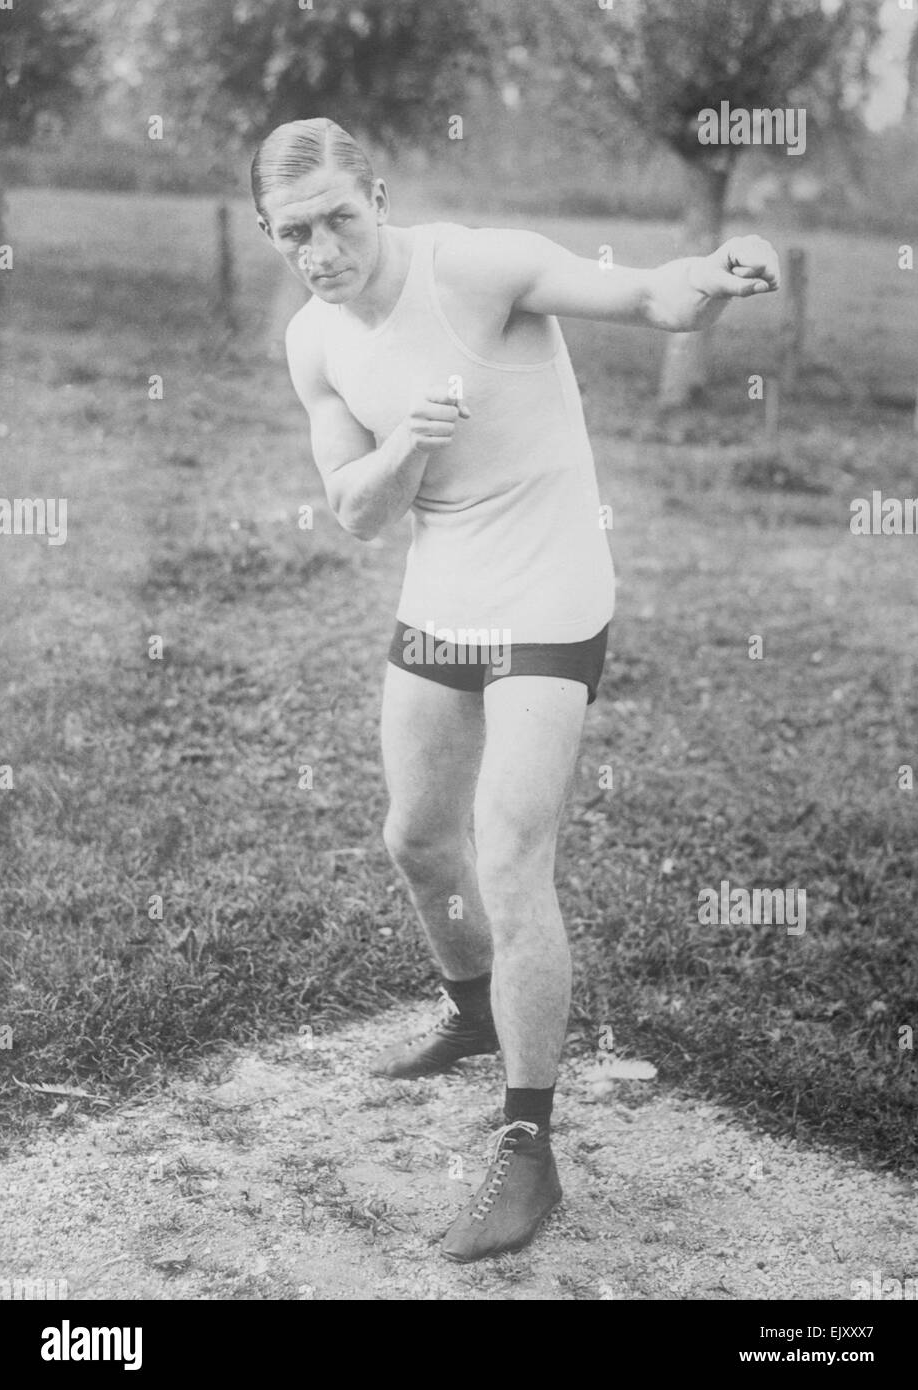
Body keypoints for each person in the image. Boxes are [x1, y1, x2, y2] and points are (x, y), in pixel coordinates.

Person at [252, 116, 779, 1262]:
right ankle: (470, 1005)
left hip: (549, 588)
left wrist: (716, 273)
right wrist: (410, 446)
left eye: (342, 216)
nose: (325, 247)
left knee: (507, 851)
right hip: (444, 589)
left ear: (379, 196)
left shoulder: (476, 268)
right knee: (414, 839)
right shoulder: (314, 342)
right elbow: (354, 509)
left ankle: (528, 1149)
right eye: (298, 232)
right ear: (272, 235)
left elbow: (649, 297)